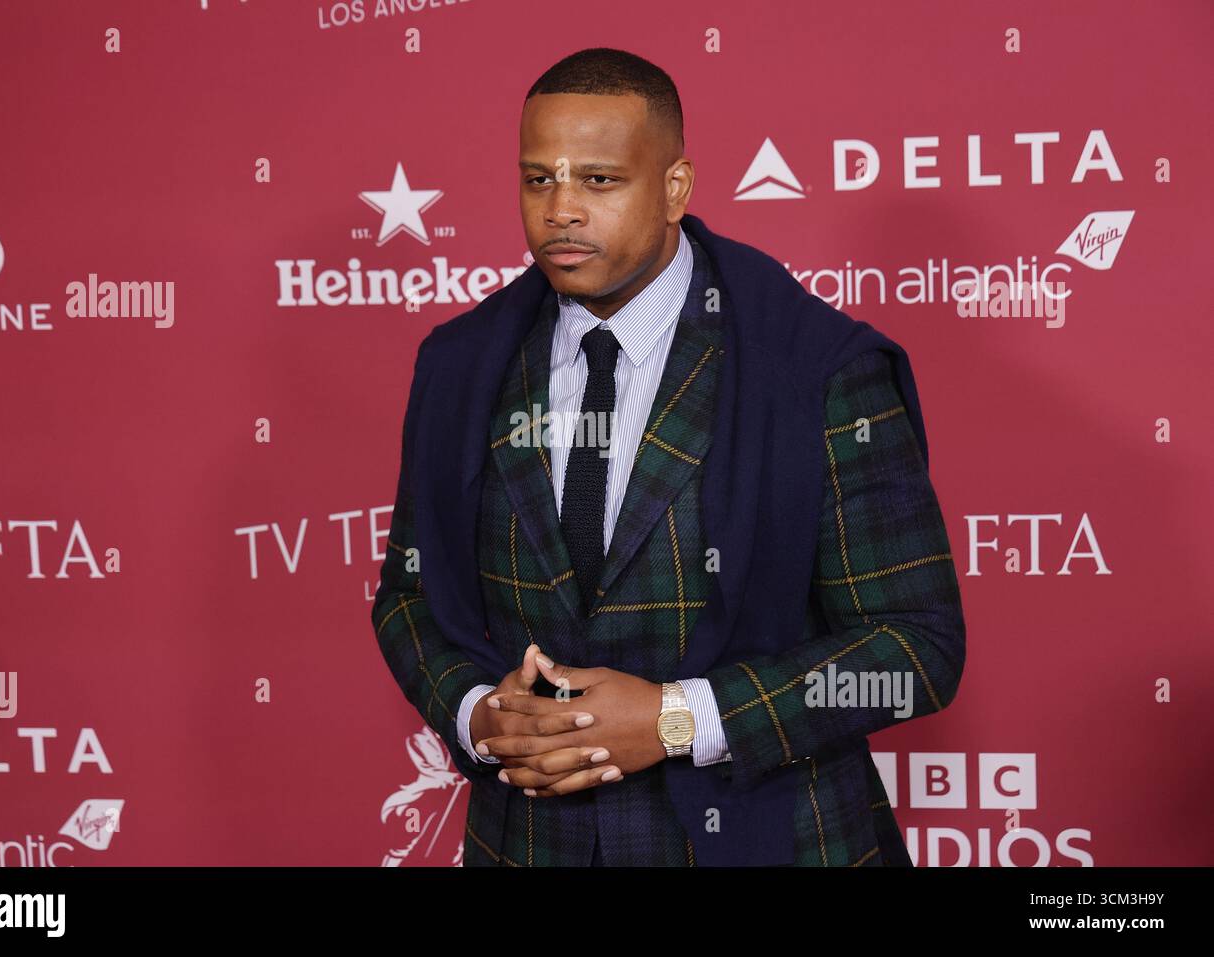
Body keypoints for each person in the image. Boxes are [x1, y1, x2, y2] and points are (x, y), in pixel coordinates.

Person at [371, 47, 966, 866]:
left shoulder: (816, 367)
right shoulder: (460, 366)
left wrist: (679, 717)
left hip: (769, 838)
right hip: (526, 841)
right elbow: (409, 597)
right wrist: (478, 711)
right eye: (539, 179)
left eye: (601, 181)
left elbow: (913, 649)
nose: (561, 211)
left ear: (674, 188)